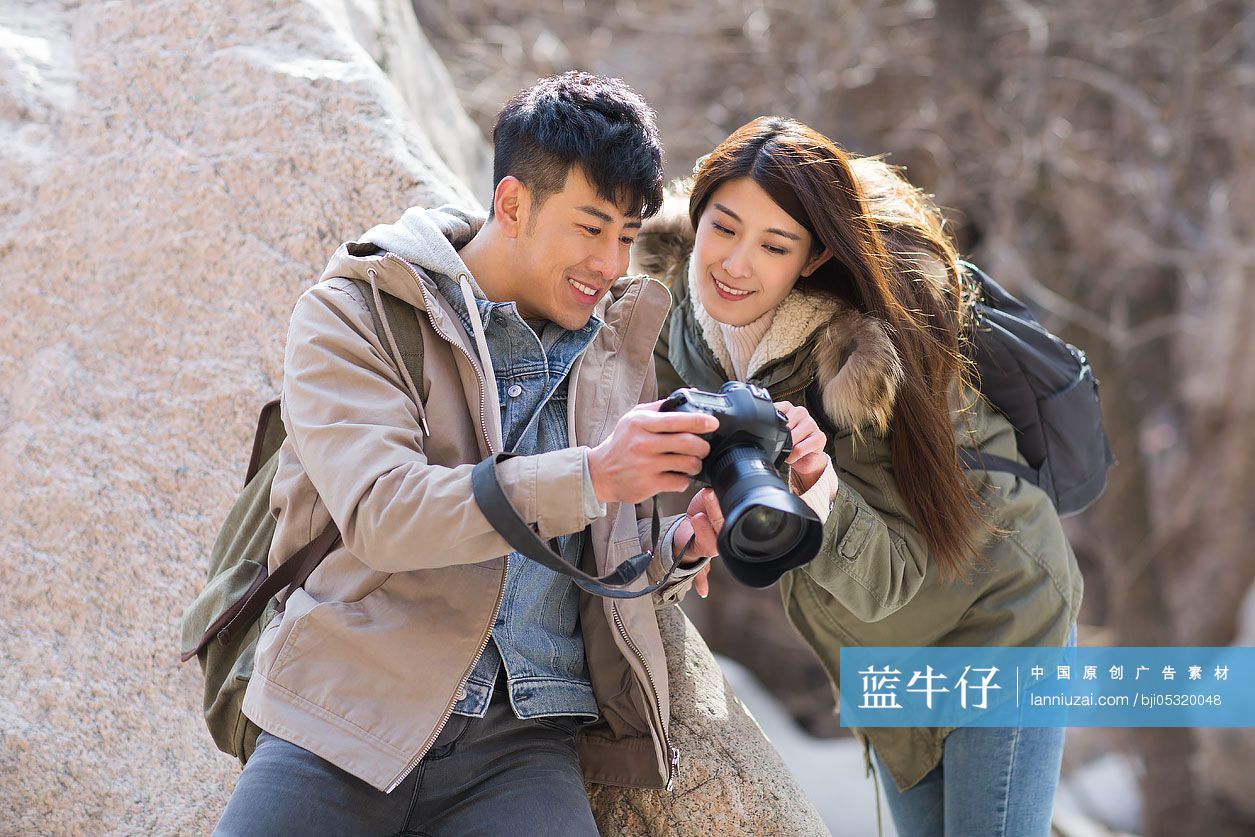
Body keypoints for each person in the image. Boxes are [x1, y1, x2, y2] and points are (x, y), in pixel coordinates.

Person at [214, 72, 724, 836]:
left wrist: (676, 549)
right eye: (590, 228)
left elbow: (599, 555)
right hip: (345, 709)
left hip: (523, 745)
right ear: (512, 204)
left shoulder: (613, 348)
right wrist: (592, 474)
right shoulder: (357, 310)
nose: (611, 264)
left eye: (625, 235)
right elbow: (384, 513)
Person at [637, 116, 1083, 837]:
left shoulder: (865, 364)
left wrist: (817, 483)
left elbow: (889, 578)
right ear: (697, 213)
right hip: (879, 649)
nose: (735, 265)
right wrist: (698, 507)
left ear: (812, 258)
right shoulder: (681, 316)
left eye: (774, 245)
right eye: (723, 227)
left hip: (998, 616)